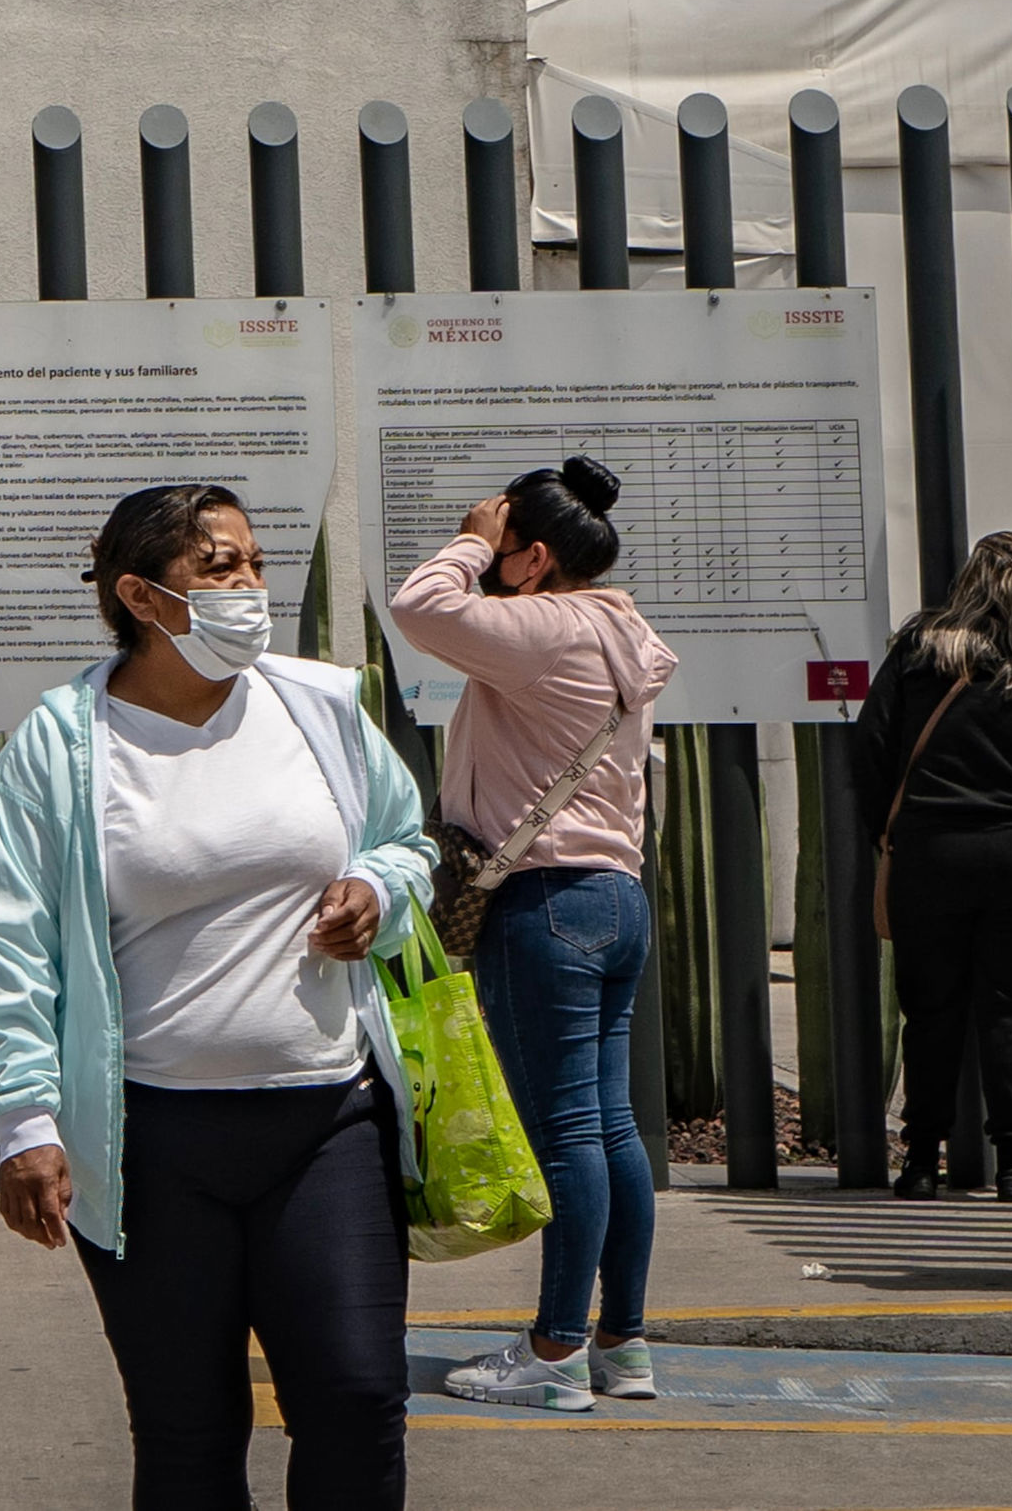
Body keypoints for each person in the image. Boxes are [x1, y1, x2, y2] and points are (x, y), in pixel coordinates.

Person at [0, 484, 437, 1511]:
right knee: (189, 1433)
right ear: (140, 593)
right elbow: (6, 942)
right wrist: (26, 1120)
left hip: (328, 1117)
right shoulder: (62, 740)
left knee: (358, 1397)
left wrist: (378, 889)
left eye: (255, 562)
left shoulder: (318, 703)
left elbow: (407, 841)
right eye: (218, 566)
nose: (249, 588)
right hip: (152, 1144)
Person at [386, 457, 677, 1412]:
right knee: (608, 1129)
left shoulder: (548, 625)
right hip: (615, 897)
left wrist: (472, 536)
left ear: (536, 557)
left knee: (565, 1138)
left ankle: (554, 1355)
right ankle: (621, 1345)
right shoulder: (616, 626)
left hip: (545, 901)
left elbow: (420, 606)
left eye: (505, 550)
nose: (488, 560)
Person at [851, 531, 1012, 1201]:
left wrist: (888, 831)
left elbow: (871, 747)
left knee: (930, 1010)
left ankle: (921, 1159)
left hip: (930, 849)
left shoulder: (921, 648)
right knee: (1011, 1009)